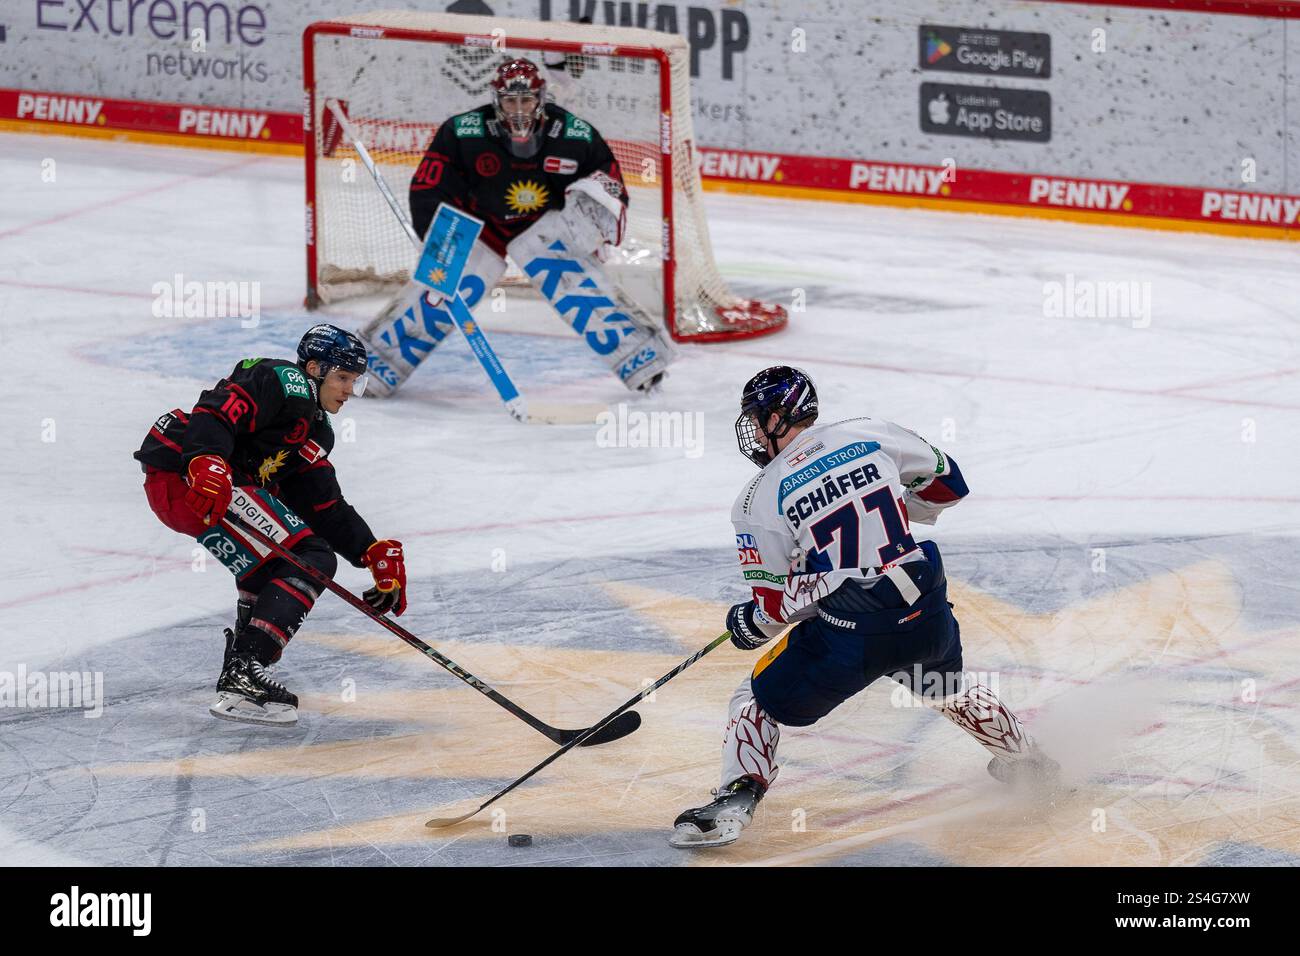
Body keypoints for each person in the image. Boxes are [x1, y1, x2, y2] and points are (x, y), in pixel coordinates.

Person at [670, 366, 1058, 848]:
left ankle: (734, 802)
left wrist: (747, 624)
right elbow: (949, 485)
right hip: (924, 607)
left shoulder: (756, 496)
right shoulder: (870, 431)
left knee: (753, 701)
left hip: (853, 631)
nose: (750, 431)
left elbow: (771, 608)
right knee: (945, 686)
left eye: (754, 417)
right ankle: (1031, 765)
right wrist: (898, 506)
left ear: (776, 417)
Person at [133, 324, 408, 725]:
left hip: (201, 490)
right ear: (314, 368)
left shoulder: (316, 430)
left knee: (271, 567)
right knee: (309, 556)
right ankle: (244, 671)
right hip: (187, 477)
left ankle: (243, 669)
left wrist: (369, 550)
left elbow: (321, 501)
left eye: (355, 381)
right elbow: (216, 410)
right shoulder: (285, 381)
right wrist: (206, 459)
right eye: (343, 377)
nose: (350, 389)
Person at [359, 56, 674, 397]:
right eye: (511, 100)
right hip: (480, 227)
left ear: (541, 99)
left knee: (569, 278)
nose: (520, 109)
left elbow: (610, 187)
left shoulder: (575, 134)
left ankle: (641, 359)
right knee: (443, 288)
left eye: (527, 99)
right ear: (497, 101)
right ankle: (377, 366)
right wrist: (436, 238)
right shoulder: (463, 131)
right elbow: (428, 186)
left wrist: (586, 231)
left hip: (542, 227)